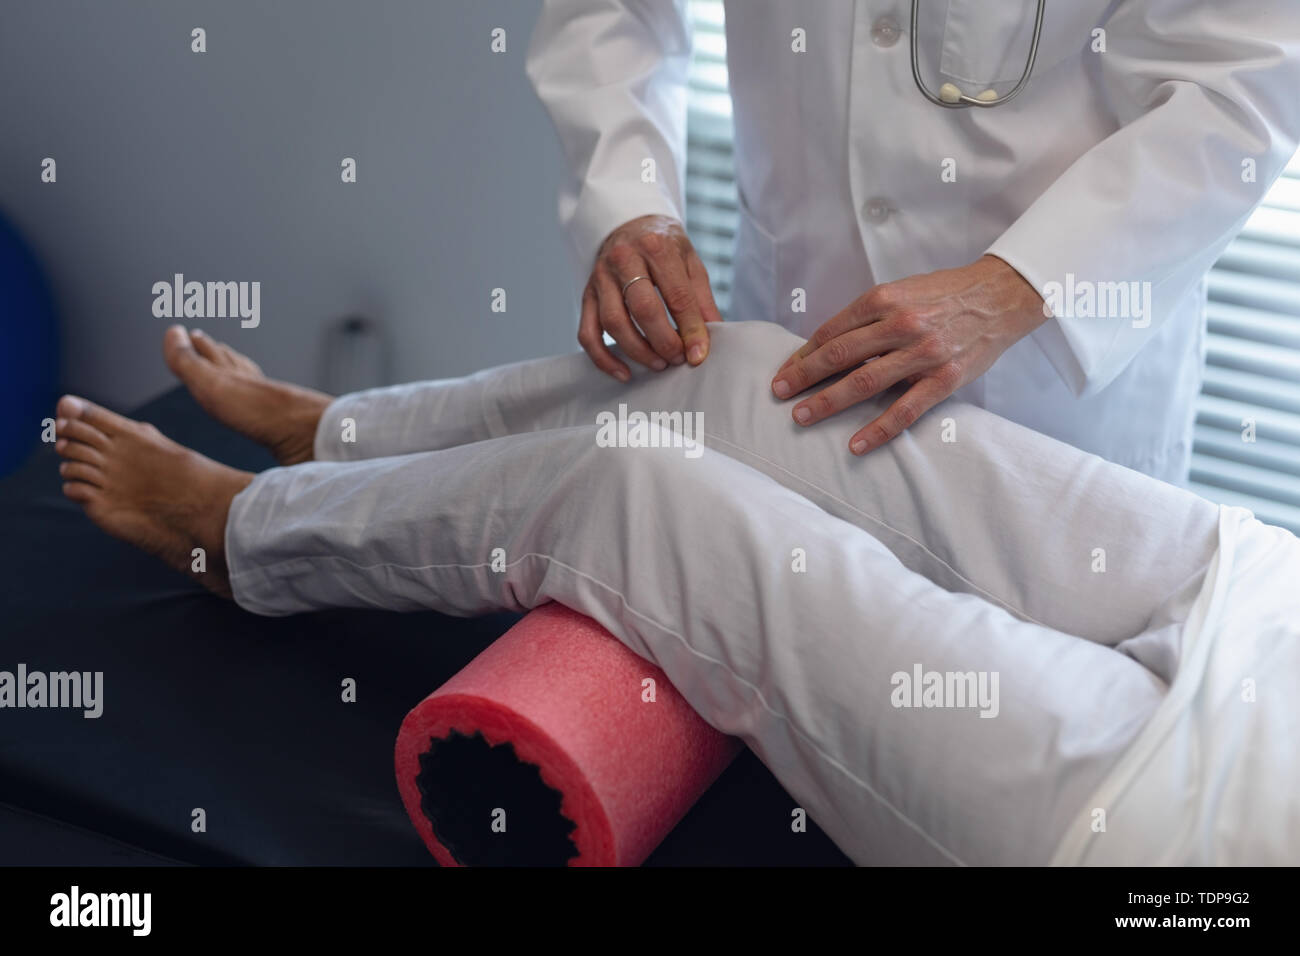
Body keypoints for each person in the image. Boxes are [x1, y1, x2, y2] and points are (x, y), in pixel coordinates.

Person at [51, 323, 1299, 864]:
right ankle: (342, 436)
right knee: (762, 375)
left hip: (1184, 830)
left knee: (638, 495)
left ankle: (237, 534)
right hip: (1260, 599)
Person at [526, 0, 1300, 481]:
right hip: (794, 322)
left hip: (1051, 381)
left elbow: (1237, 93)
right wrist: (626, 201)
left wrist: (1021, 284)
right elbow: (612, 11)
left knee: (1029, 712)